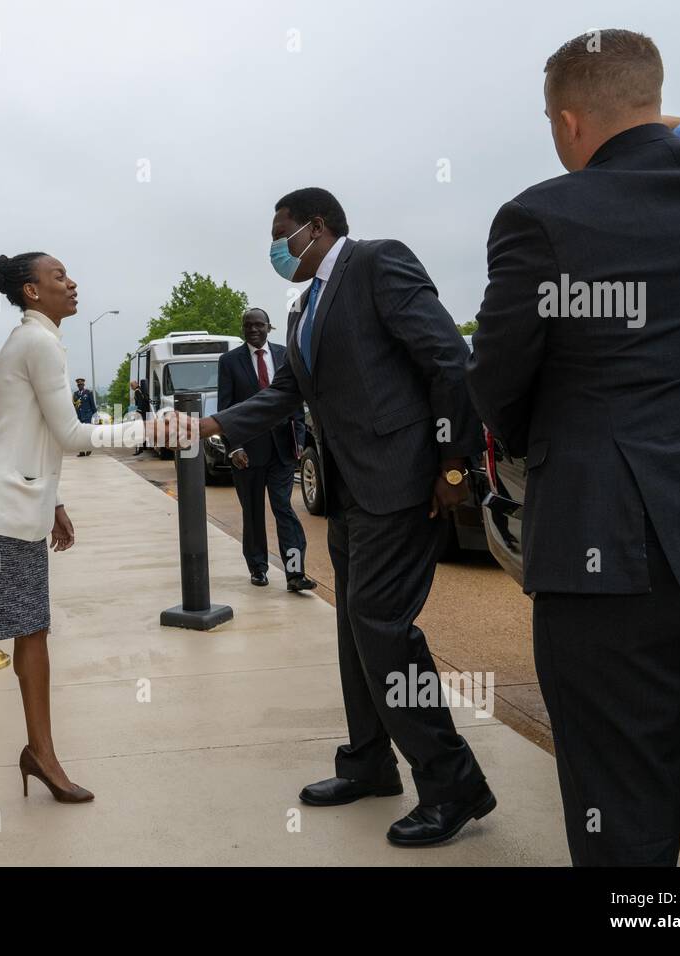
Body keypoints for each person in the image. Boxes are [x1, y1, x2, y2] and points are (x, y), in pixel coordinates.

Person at [467, 29, 680, 866]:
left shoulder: (542, 217)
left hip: (611, 555)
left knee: (625, 801)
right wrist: (655, 117)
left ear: (569, 122)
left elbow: (498, 386)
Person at [197, 187, 493, 847]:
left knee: (382, 628)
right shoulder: (304, 306)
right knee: (354, 629)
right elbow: (286, 393)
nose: (275, 248)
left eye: (282, 232)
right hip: (350, 491)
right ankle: (369, 762)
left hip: (404, 484)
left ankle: (453, 783)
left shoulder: (378, 264)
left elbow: (450, 359)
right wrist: (212, 423)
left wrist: (451, 465)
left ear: (316, 225)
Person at [0, 251, 180, 824]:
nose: (71, 283)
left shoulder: (36, 339)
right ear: (31, 291)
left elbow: (19, 431)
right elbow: (73, 433)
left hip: (18, 511)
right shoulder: (38, 342)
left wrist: (52, 500)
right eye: (58, 277)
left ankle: (41, 755)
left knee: (33, 631)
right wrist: (152, 427)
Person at [218, 307, 314, 591]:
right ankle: (258, 567)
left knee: (283, 508)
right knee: (253, 512)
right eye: (248, 326)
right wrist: (233, 447)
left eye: (258, 325)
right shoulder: (229, 361)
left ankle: (295, 573)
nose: (253, 330)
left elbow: (295, 400)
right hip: (247, 453)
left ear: (268, 327)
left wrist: (298, 441)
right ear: (243, 329)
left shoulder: (285, 355)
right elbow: (226, 407)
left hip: (282, 450)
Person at [72, 376, 96, 455]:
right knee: (80, 434)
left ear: (84, 385)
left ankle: (89, 448)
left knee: (87, 433)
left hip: (87, 416)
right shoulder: (75, 394)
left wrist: (95, 415)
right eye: (79, 385)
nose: (80, 386)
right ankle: (81, 451)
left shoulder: (88, 393)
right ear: (77, 386)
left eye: (81, 385)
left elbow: (92, 405)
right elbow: (74, 406)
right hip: (79, 417)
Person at [130, 378, 150, 454]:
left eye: (131, 385)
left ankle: (139, 449)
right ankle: (142, 447)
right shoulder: (141, 390)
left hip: (140, 413)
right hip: (144, 412)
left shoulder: (137, 391)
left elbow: (140, 402)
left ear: (134, 385)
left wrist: (137, 412)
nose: (131, 387)